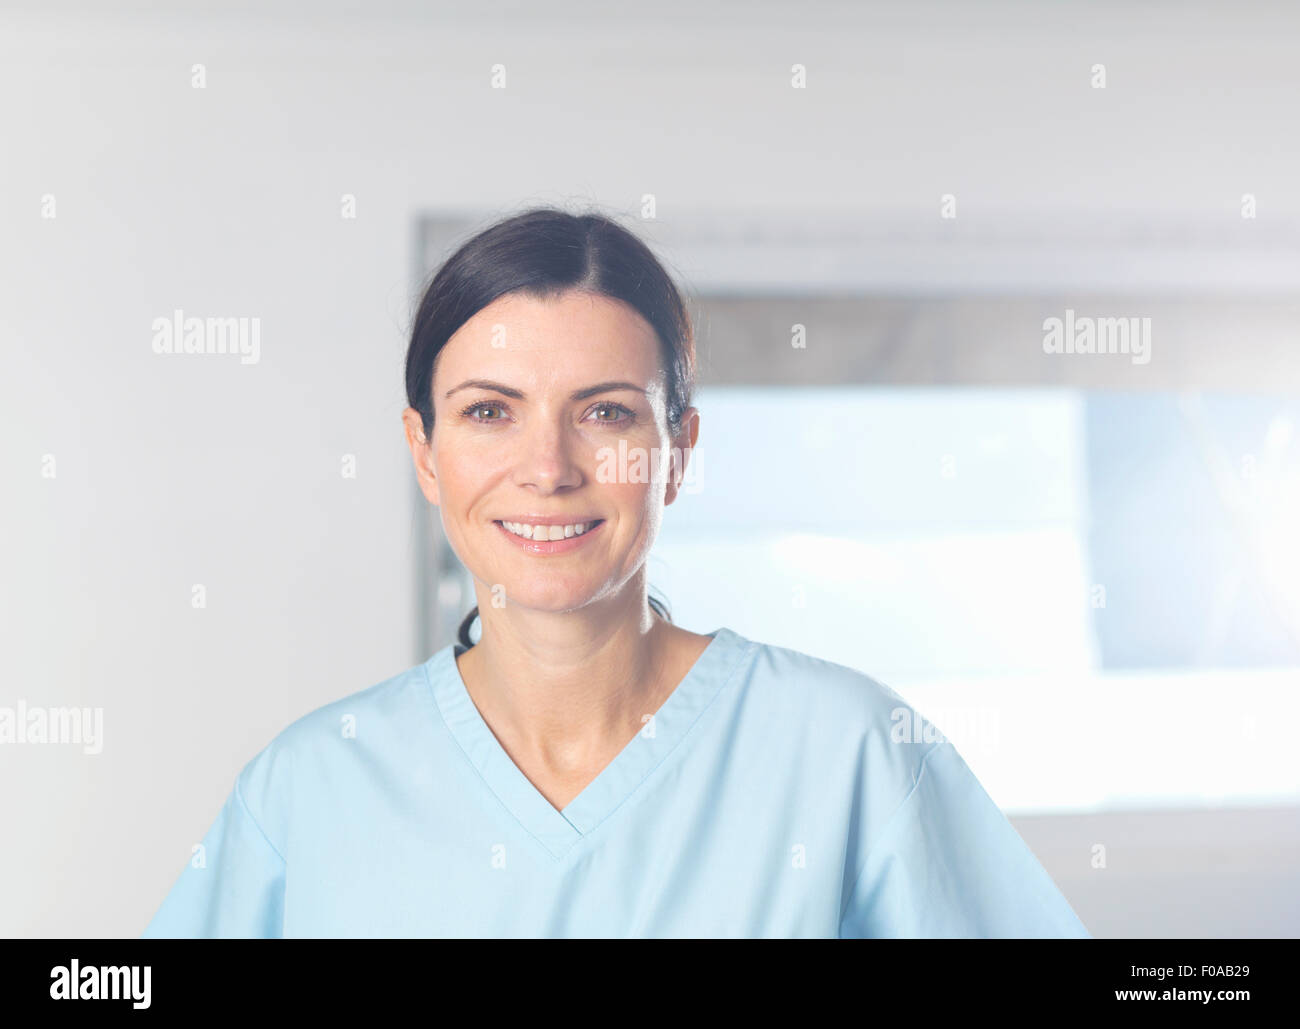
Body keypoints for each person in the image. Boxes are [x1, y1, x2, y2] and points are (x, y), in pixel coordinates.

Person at [141, 206, 1090, 938]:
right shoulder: (309, 789)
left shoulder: (846, 753)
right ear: (424, 453)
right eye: (488, 413)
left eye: (605, 413)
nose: (548, 468)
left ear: (677, 452)